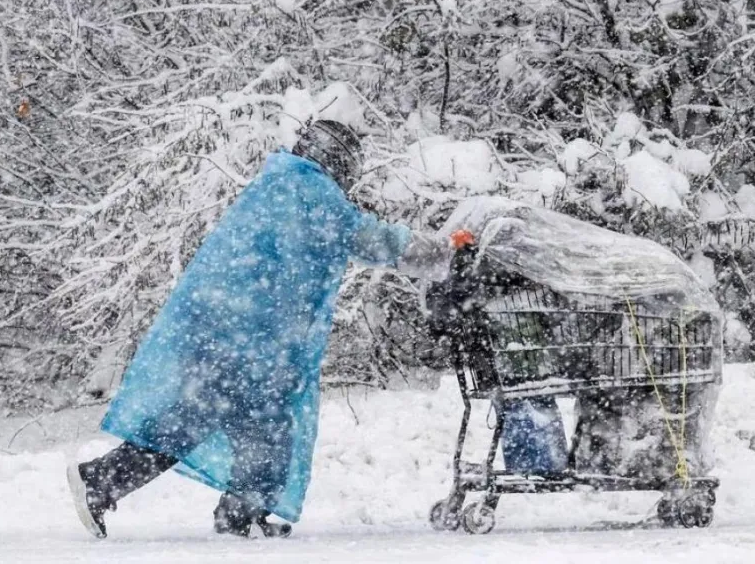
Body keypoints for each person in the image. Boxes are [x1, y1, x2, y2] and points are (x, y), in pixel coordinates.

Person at [67, 119, 467, 539]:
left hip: (230, 332)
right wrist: (444, 250)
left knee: (245, 422)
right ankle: (105, 481)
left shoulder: (280, 182)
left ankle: (237, 513)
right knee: (234, 421)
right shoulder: (311, 192)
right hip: (245, 339)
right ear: (337, 159)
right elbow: (374, 240)